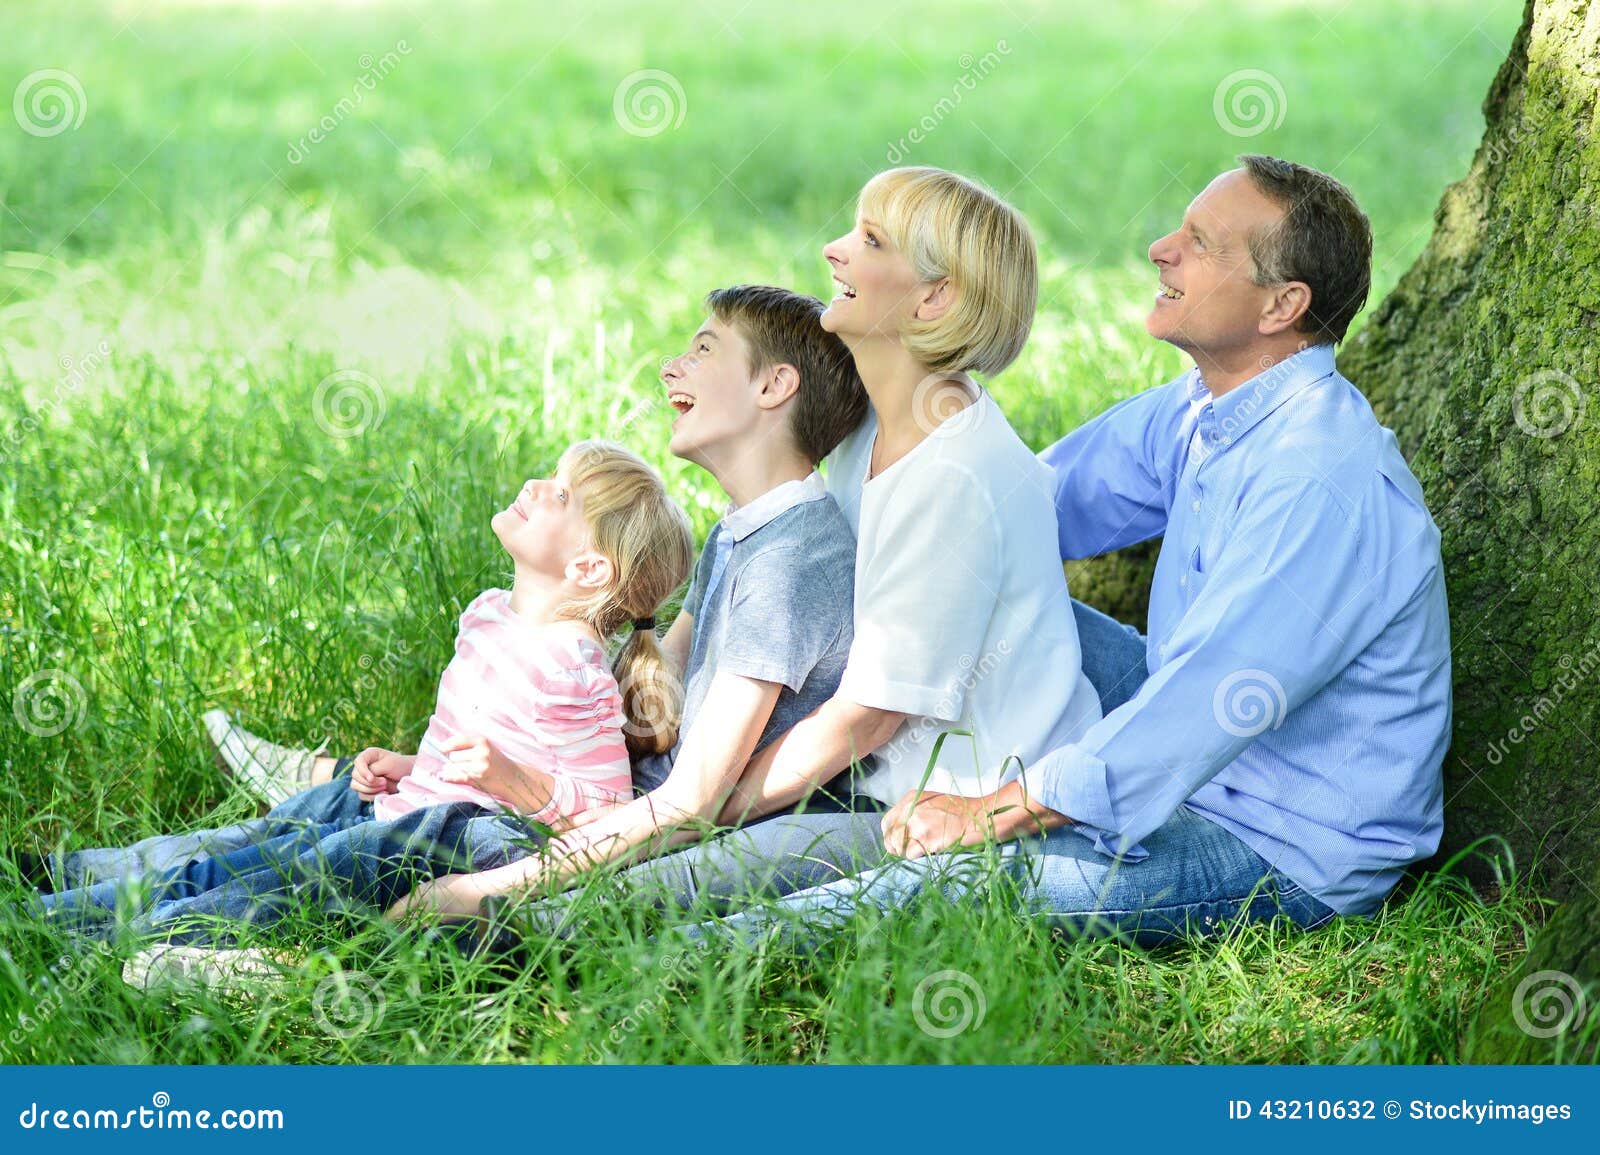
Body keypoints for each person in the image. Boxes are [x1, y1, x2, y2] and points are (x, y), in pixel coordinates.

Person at [670, 155, 1451, 950]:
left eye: (1202, 244)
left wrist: (990, 811)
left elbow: (1202, 708)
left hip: (1274, 835)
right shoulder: (1209, 408)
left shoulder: (1318, 482)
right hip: (1188, 725)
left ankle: (688, 947)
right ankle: (739, 757)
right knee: (961, 602)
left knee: (952, 889)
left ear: (1282, 304)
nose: (1159, 248)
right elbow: (1026, 506)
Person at [398, 166, 1104, 933]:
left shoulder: (955, 480)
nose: (835, 251)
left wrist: (688, 810)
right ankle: (362, 797)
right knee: (572, 830)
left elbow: (859, 723)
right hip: (850, 773)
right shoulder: (875, 421)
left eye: (869, 240)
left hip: (929, 807)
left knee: (601, 912)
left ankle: (438, 897)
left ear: (934, 298)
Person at [25, 440, 695, 937]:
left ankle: (78, 932)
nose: (534, 484)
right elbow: (470, 749)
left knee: (267, 877)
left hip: (434, 838)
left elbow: (608, 812)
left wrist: (514, 780)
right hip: (396, 800)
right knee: (237, 841)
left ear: (588, 565)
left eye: (560, 493)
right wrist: (415, 764)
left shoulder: (575, 669)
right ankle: (48, 876)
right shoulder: (492, 610)